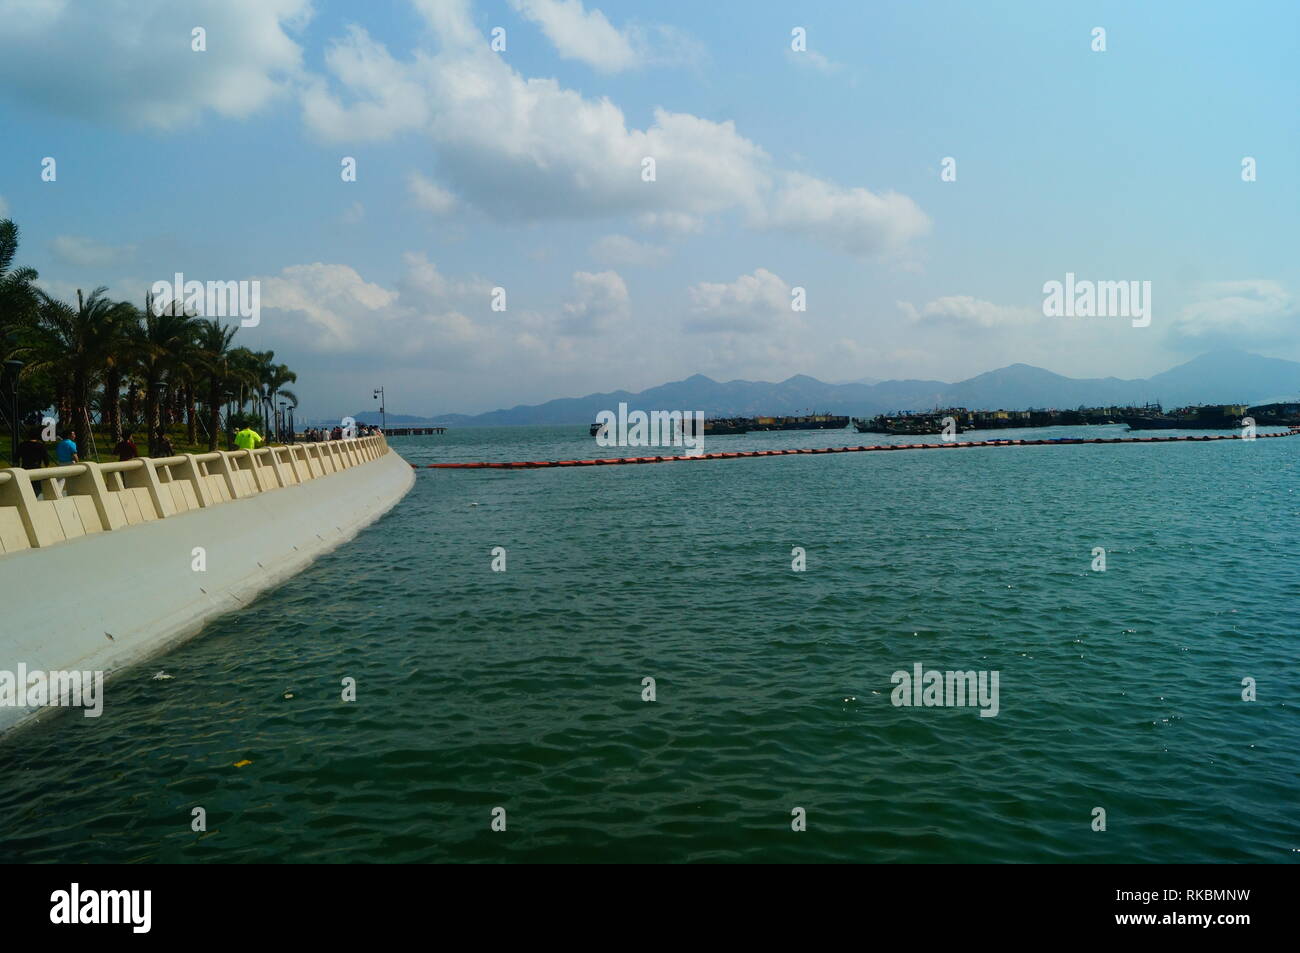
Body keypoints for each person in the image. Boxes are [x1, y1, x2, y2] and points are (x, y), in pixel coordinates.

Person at [15, 427, 49, 498]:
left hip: (25, 468)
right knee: (37, 488)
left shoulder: (22, 444)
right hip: (36, 468)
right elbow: (46, 459)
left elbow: (16, 457)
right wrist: (46, 465)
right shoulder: (41, 445)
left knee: (26, 487)